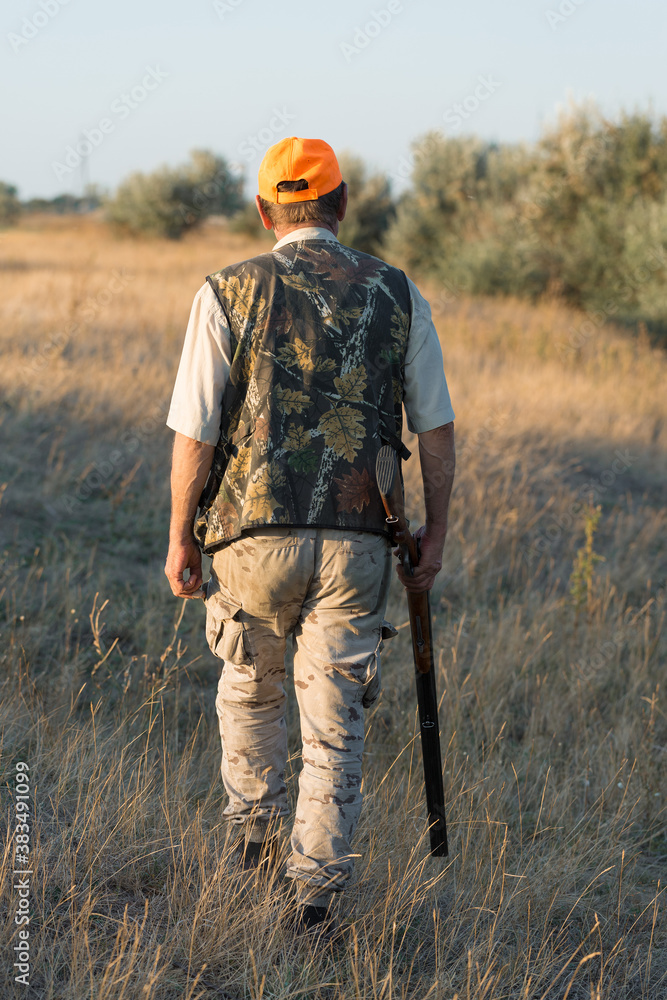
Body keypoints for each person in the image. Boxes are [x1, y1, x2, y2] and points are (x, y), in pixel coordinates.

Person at [164, 136, 455, 940]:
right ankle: (312, 904)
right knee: (335, 725)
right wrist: (434, 535)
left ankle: (251, 848)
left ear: (264, 212)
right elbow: (434, 428)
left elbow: (194, 431)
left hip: (249, 538)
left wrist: (180, 534)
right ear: (344, 202)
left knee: (249, 692)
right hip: (361, 538)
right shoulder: (398, 292)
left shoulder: (225, 290)